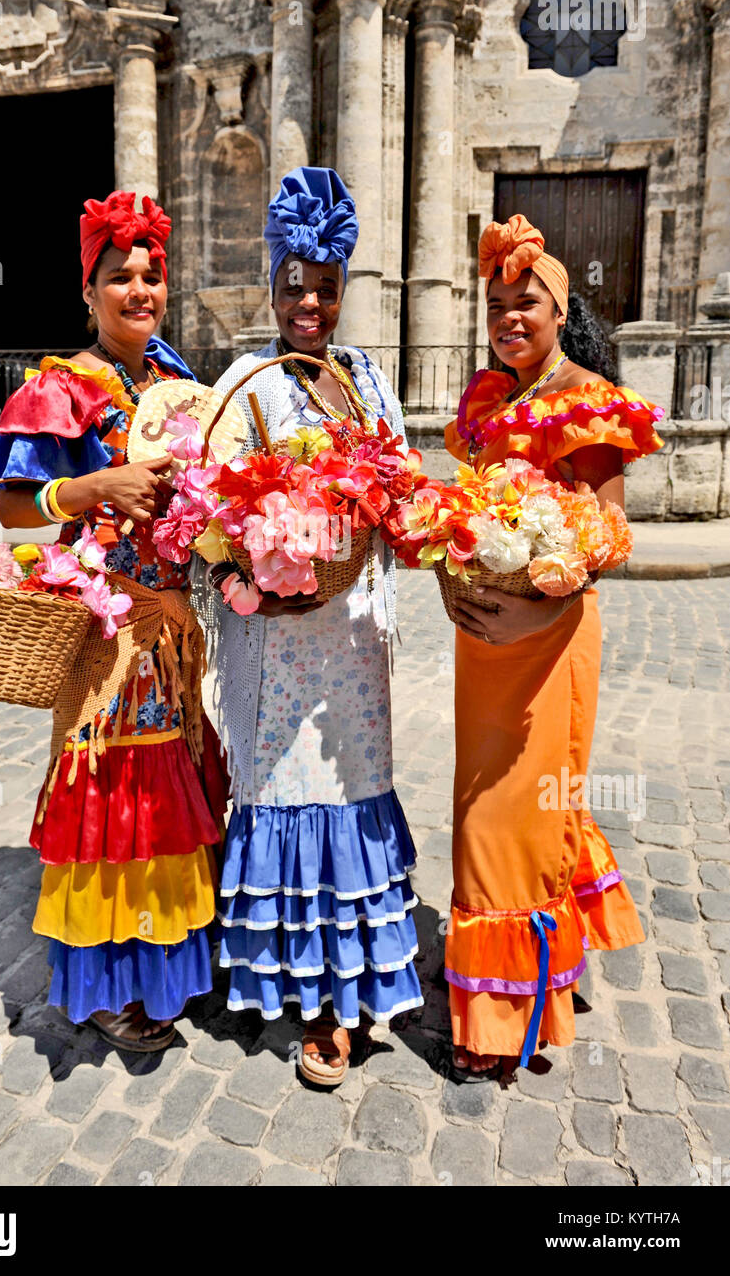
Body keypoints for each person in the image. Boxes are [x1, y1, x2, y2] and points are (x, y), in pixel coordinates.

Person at [0, 190, 228, 1051]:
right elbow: (15, 507)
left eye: (151, 276)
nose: (139, 290)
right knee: (108, 793)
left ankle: (167, 962)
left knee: (170, 787)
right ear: (87, 293)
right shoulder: (61, 386)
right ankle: (105, 984)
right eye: (119, 277)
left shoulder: (179, 390)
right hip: (99, 633)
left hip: (169, 633)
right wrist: (92, 489)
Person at [202, 167, 423, 1086]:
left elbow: (401, 483)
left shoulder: (365, 376)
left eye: (325, 286)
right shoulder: (244, 382)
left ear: (342, 290)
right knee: (287, 789)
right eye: (294, 283)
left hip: (351, 633)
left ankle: (354, 990)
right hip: (276, 635)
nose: (309, 302)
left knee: (351, 788)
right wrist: (246, 579)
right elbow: (205, 514)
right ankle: (307, 989)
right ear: (273, 285)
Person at [443, 214, 664, 1078]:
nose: (508, 317)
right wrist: (451, 573)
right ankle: (536, 963)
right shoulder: (489, 403)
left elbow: (609, 533)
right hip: (481, 646)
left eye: (524, 301)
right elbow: (462, 517)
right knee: (493, 811)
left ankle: (501, 1020)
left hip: (548, 644)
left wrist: (546, 597)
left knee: (507, 820)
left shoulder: (587, 403)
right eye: (496, 304)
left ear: (558, 309)